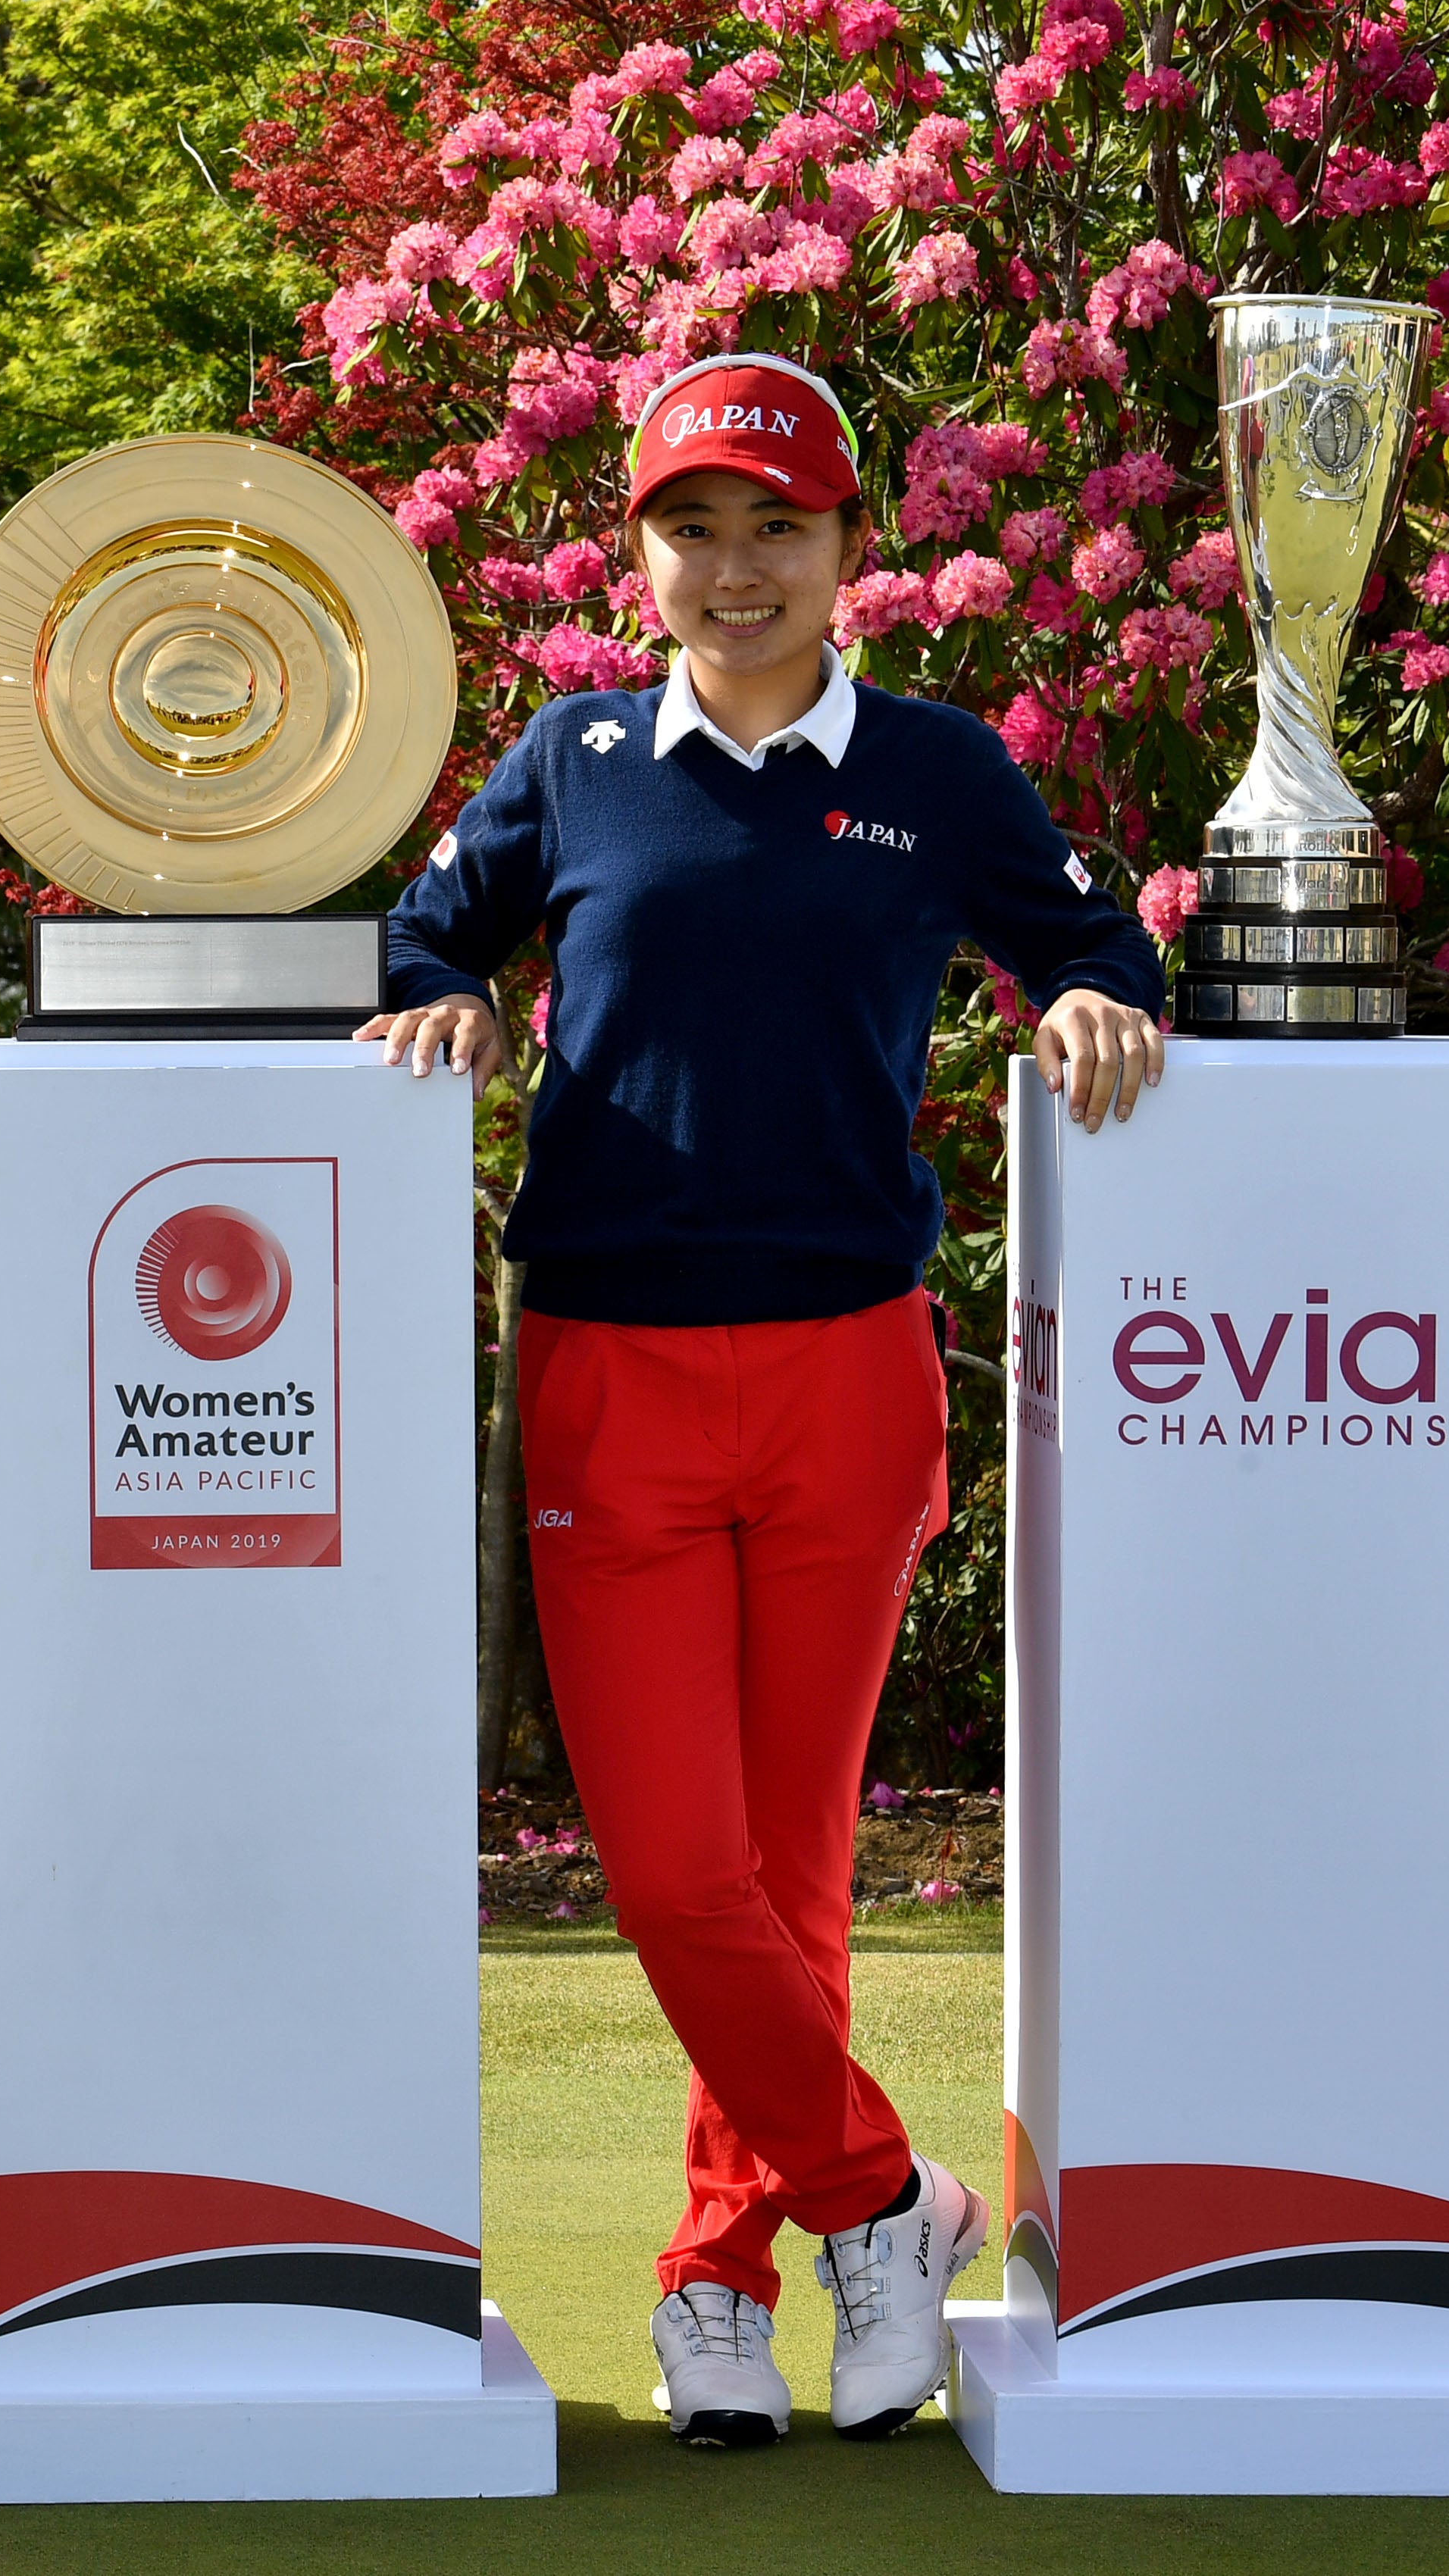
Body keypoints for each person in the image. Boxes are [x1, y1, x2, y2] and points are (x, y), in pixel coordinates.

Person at [355, 352, 1166, 2449]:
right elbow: (424, 938)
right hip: (606, 1362)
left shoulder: (936, 767)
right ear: (638, 553)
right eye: (691, 531)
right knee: (670, 1866)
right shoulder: (573, 757)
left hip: (845, 1371)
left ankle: (719, 2283)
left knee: (787, 1869)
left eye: (775, 532)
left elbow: (1091, 949)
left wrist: (1085, 992)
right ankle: (889, 2203)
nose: (733, 572)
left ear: (846, 559)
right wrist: (442, 1003)